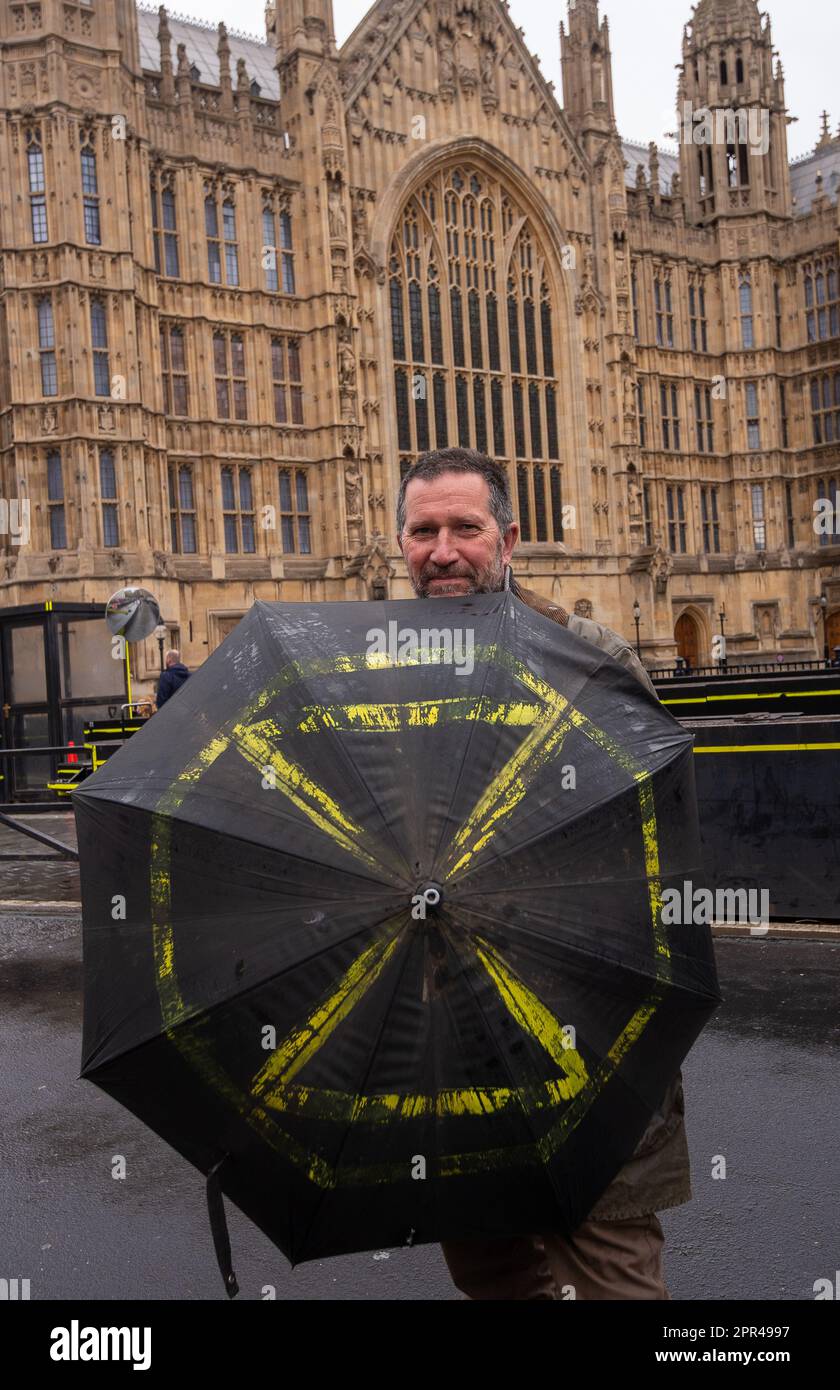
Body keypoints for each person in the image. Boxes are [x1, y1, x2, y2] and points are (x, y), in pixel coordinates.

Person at [396, 446, 690, 1301]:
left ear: (509, 537)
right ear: (401, 542)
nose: (442, 550)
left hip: (584, 1025)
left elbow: (659, 826)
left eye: (464, 528)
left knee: (613, 1274)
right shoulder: (366, 668)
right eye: (423, 530)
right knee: (490, 1273)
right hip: (451, 1034)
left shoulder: (584, 655)